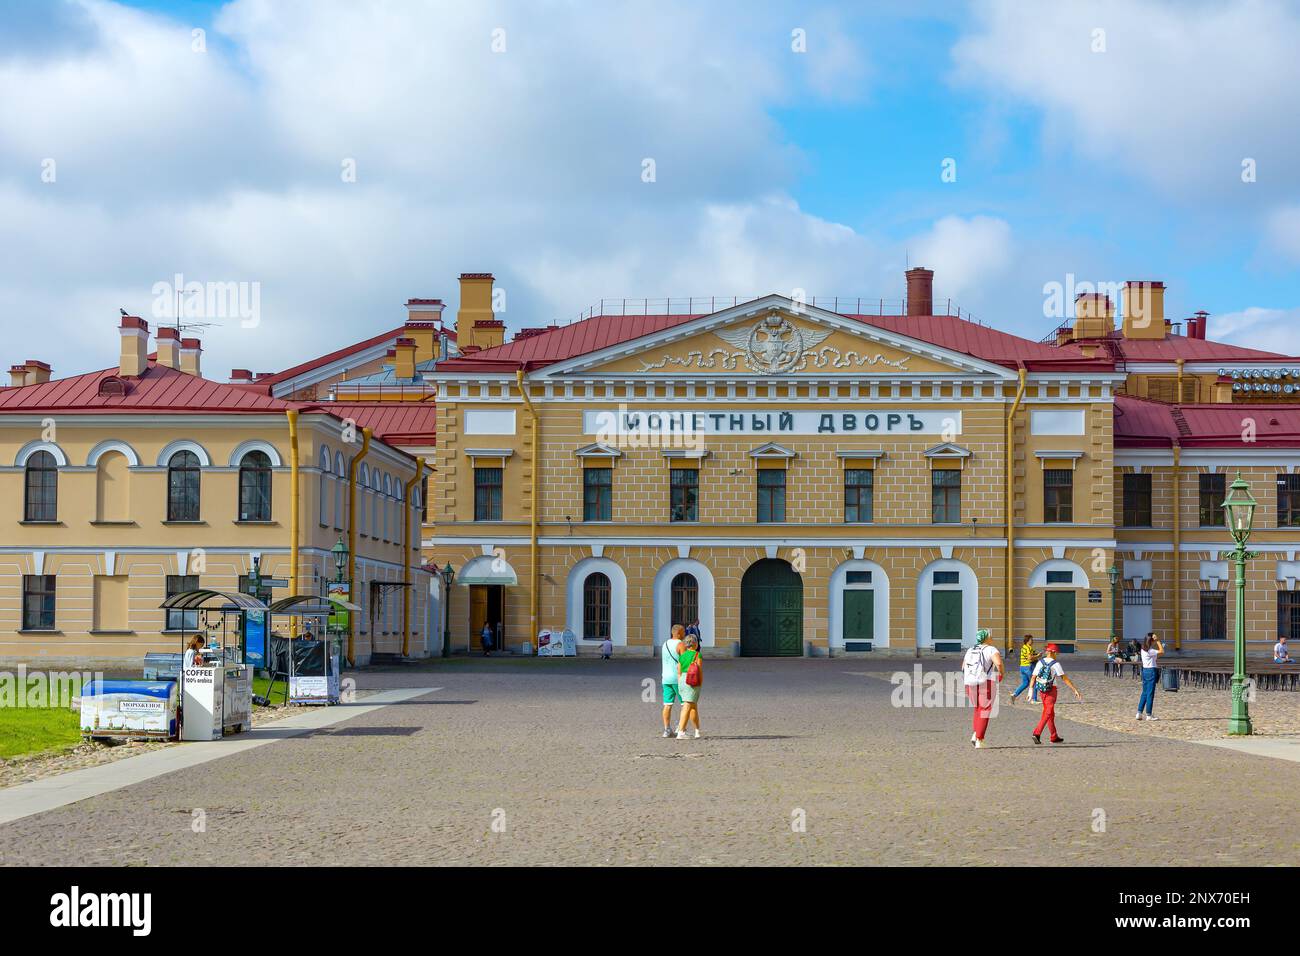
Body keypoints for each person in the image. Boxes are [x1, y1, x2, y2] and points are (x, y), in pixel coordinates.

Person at [1029, 643, 1082, 744]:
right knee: (1048, 712)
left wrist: (1030, 690)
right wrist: (1074, 689)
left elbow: (1033, 677)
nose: (1057, 655)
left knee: (1050, 713)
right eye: (1056, 653)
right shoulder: (1055, 664)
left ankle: (1054, 736)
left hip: (1041, 689)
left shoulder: (1040, 662)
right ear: (1053, 653)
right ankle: (1036, 733)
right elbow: (1064, 678)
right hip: (1051, 690)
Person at [961, 628, 1003, 748]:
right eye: (990, 636)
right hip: (986, 681)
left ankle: (976, 733)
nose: (992, 638)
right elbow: (998, 663)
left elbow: (963, 666)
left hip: (970, 682)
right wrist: (1001, 674)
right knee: (984, 710)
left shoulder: (970, 649)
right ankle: (979, 739)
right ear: (986, 638)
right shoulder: (991, 649)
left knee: (977, 708)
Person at [675, 633, 703, 739]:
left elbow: (678, 671)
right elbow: (699, 671)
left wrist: (679, 683)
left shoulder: (682, 656)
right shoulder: (697, 655)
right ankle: (681, 731)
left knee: (693, 706)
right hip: (692, 680)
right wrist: (700, 682)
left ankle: (697, 731)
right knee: (688, 705)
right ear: (695, 644)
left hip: (682, 680)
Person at [660, 624, 685, 737]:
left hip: (666, 678)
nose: (685, 634)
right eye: (683, 632)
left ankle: (666, 729)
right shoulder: (680, 644)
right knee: (684, 704)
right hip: (677, 678)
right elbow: (684, 662)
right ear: (679, 633)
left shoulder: (664, 644)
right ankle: (680, 727)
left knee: (667, 704)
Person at [1137, 632, 1163, 720]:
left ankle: (1139, 713)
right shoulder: (1150, 650)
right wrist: (1158, 641)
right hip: (1151, 671)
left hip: (1145, 670)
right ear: (1151, 640)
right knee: (1150, 693)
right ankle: (1149, 714)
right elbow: (1162, 651)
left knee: (1144, 692)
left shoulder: (1143, 649)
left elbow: (1154, 657)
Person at [1009, 634, 1040, 704]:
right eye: (1031, 640)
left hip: (1022, 667)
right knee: (1034, 682)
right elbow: (1030, 658)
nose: (1032, 641)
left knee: (1025, 683)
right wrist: (1038, 656)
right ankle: (1034, 700)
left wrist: (1035, 655)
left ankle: (1014, 695)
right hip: (1028, 667)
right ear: (1027, 641)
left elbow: (1028, 656)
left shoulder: (1023, 647)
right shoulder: (1028, 648)